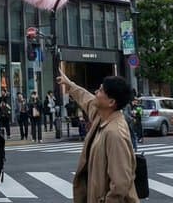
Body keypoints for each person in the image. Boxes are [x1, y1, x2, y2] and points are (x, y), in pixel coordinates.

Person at [55, 66, 138, 203]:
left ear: (111, 102)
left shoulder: (114, 133)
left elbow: (120, 184)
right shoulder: (102, 117)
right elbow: (87, 100)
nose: (96, 92)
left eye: (100, 90)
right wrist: (70, 85)